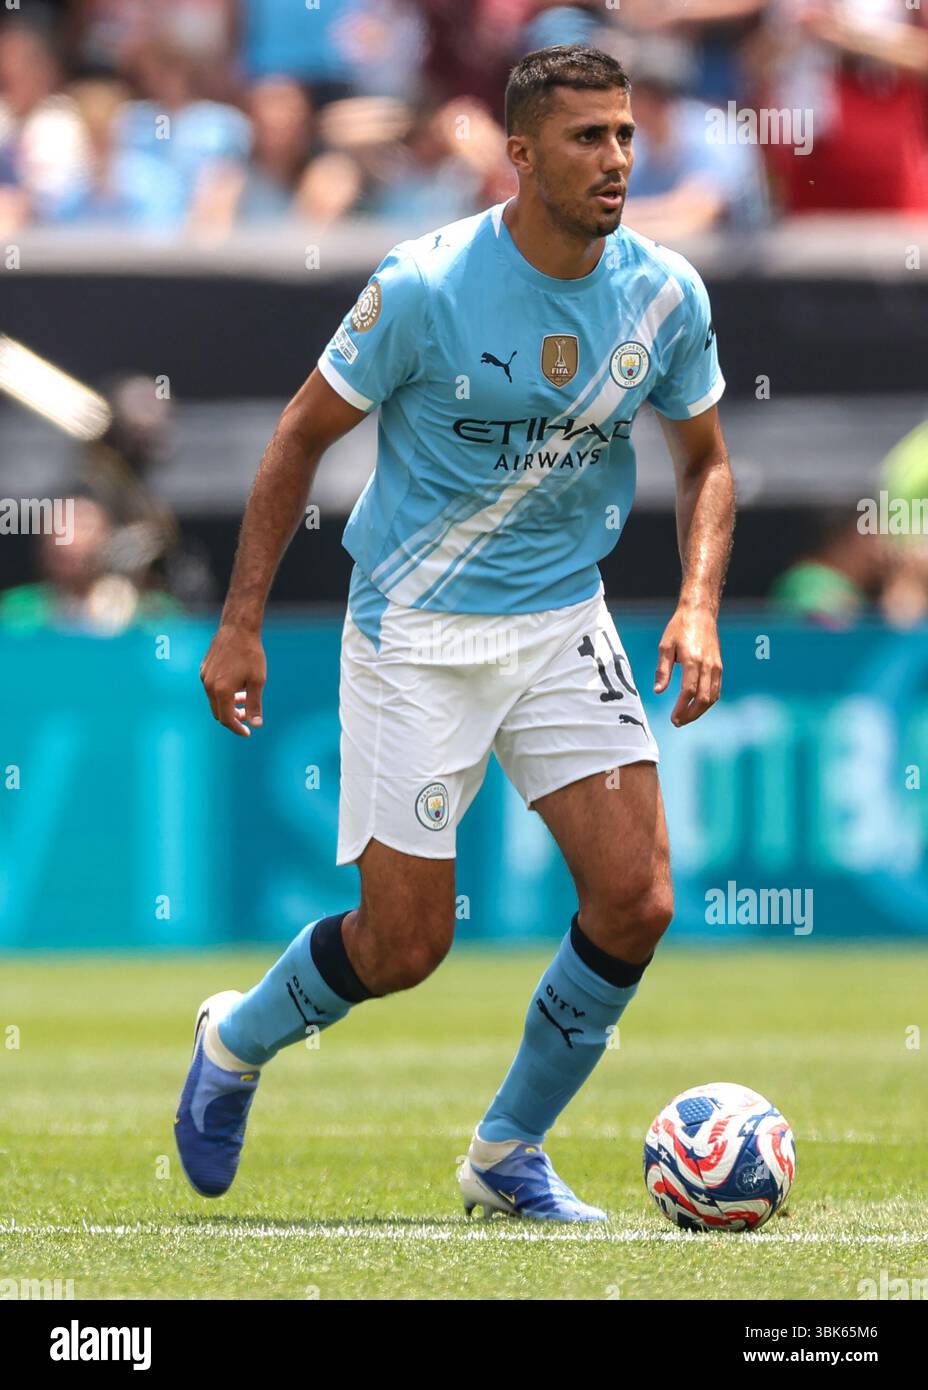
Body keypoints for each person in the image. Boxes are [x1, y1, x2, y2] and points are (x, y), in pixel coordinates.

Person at [176, 44, 734, 1221]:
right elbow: (295, 439)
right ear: (520, 155)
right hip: (414, 630)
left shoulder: (665, 293)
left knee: (635, 899)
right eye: (588, 138)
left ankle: (504, 1155)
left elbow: (706, 462)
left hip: (561, 619)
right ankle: (236, 1039)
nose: (617, 159)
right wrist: (240, 626)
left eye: (626, 135)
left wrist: (695, 599)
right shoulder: (424, 285)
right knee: (402, 946)